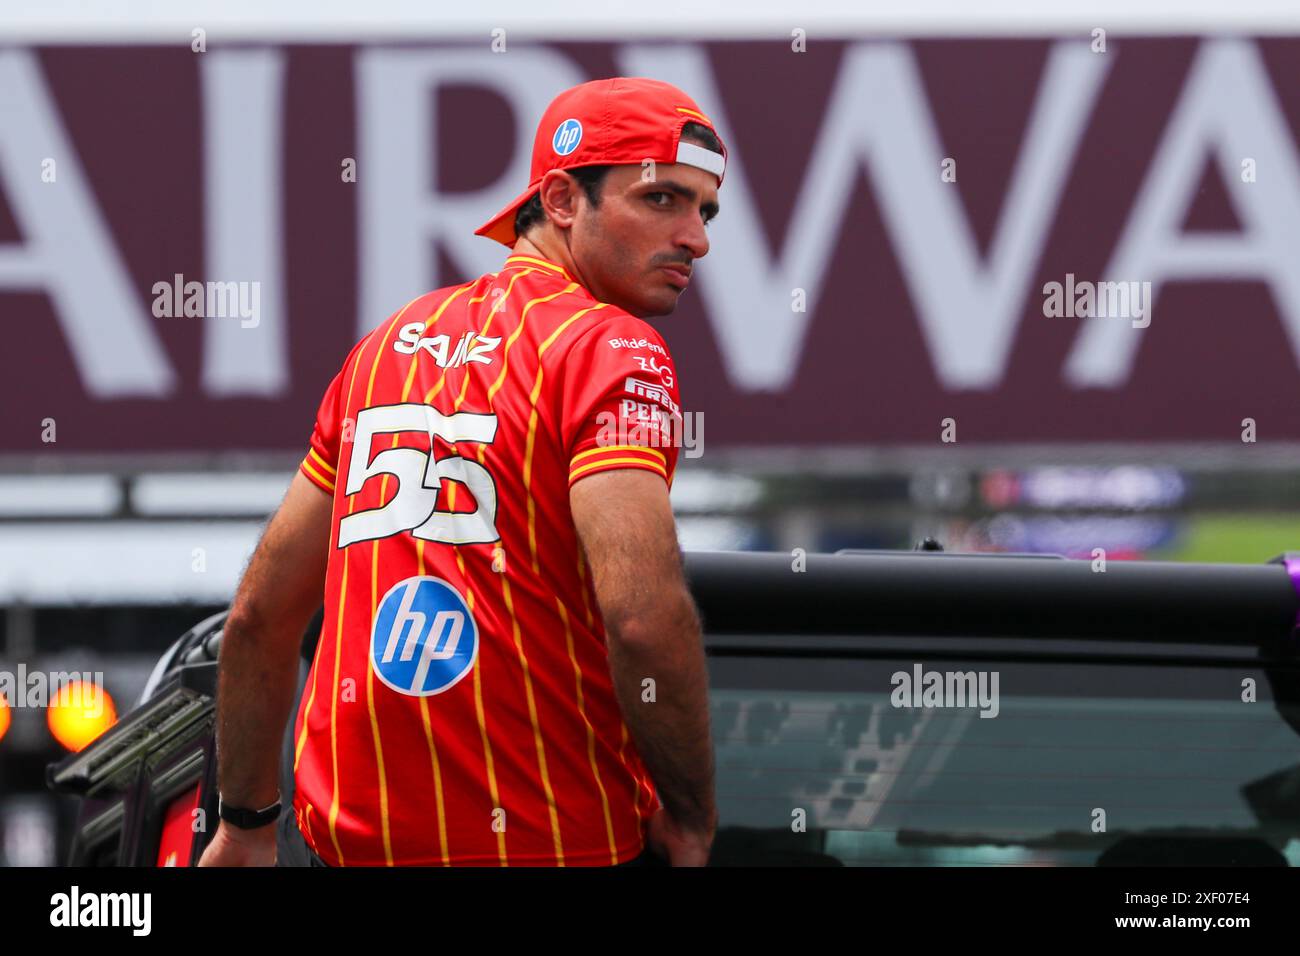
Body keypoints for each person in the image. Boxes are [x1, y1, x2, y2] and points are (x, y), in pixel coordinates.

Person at [197, 76, 726, 867]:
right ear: (560, 199)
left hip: (352, 848)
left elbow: (257, 619)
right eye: (662, 201)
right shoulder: (611, 348)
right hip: (551, 843)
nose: (697, 238)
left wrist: (241, 826)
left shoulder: (383, 348)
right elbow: (644, 618)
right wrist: (690, 819)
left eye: (705, 211)